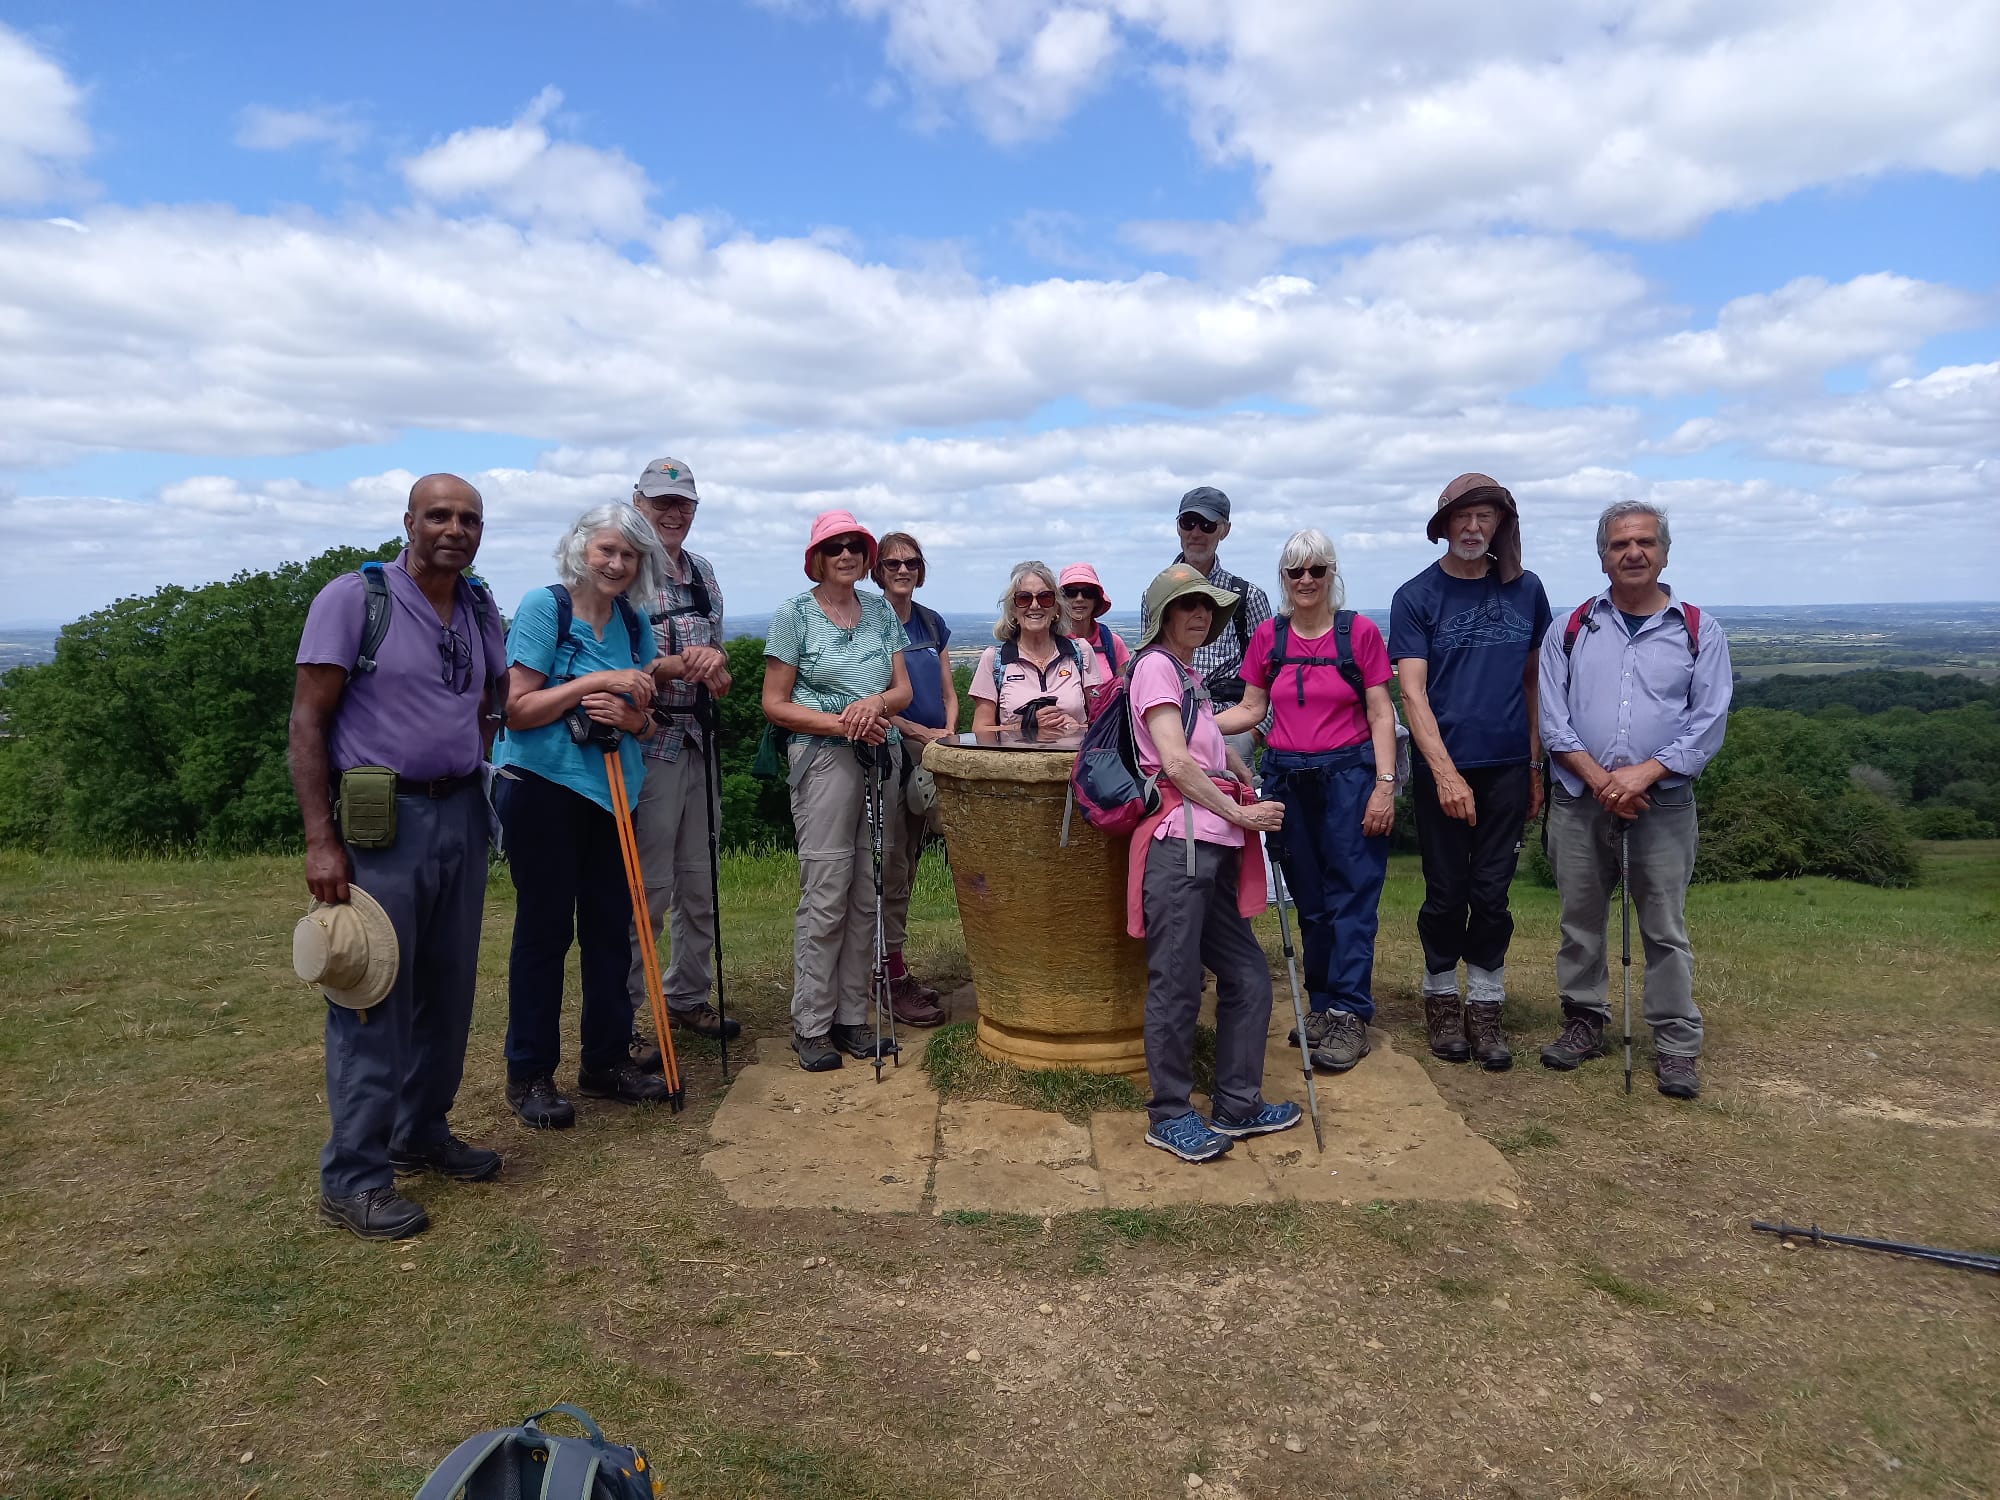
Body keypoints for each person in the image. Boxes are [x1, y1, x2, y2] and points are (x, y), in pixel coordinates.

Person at [290, 473, 507, 1239]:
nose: (455, 529)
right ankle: (354, 1178)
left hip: (460, 815)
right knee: (370, 993)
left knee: (446, 991)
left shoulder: (480, 605)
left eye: (469, 518)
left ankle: (421, 1132)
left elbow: (492, 702)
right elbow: (308, 722)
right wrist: (323, 838)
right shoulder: (355, 599)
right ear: (408, 521)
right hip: (381, 824)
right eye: (439, 515)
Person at [1537, 500, 1731, 1099]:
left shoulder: (1699, 630)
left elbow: (1707, 721)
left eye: (1645, 542)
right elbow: (1552, 715)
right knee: (1580, 920)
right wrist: (1603, 782)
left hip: (1664, 804)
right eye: (1620, 544)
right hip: (1579, 798)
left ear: (1665, 552)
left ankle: (1675, 1043)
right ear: (1603, 557)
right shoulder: (1571, 628)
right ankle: (1584, 1020)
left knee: (1665, 927)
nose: (1633, 552)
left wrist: (1642, 775)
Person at [494, 504, 673, 1129]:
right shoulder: (546, 608)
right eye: (606, 551)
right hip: (542, 785)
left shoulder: (633, 621)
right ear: (580, 550)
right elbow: (515, 708)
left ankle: (604, 1059)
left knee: (608, 928)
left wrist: (636, 718)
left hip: (613, 791)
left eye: (629, 555)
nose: (617, 563)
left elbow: (644, 718)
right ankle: (531, 1074)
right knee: (545, 930)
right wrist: (591, 686)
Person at [1128, 563, 1298, 1163]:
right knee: (1175, 983)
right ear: (1163, 615)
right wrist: (1242, 811)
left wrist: (1234, 769)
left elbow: (1200, 744)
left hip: (1214, 845)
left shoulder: (1187, 676)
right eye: (1187, 606)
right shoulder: (1153, 667)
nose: (1199, 615)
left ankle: (1237, 1104)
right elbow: (1173, 762)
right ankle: (1169, 1113)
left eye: (1208, 607)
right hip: (1180, 846)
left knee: (1248, 974)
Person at [1389, 473, 1552, 1071]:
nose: (1474, 528)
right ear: (1445, 526)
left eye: (1485, 518)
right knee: (1446, 891)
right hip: (1444, 768)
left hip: (1508, 765)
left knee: (1491, 892)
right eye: (1463, 517)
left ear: (1501, 525)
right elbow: (1413, 694)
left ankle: (1485, 1003)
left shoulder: (1526, 591)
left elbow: (1533, 684)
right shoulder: (1417, 596)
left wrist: (1534, 765)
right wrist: (1446, 774)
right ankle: (1440, 997)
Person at [1219, 528, 1397, 1075]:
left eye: (1316, 570)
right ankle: (1322, 1004)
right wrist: (1187, 724)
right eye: (1295, 571)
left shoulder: (1359, 634)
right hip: (1287, 779)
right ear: (1284, 578)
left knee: (1352, 898)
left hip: (1350, 777)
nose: (1305, 580)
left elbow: (1380, 712)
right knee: (1310, 901)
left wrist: (1385, 785)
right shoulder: (1269, 639)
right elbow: (1251, 710)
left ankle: (1349, 1012)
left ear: (1331, 574)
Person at [762, 510, 915, 1071]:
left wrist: (875, 706)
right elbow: (774, 702)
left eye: (855, 545)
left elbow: (901, 689)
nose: (846, 554)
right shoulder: (794, 613)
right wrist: (842, 723)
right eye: (834, 547)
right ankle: (812, 1023)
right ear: (817, 558)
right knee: (826, 890)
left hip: (879, 754)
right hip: (824, 760)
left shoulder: (877, 610)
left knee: (866, 892)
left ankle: (852, 1018)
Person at [624, 458, 737, 1068]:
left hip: (698, 739)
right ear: (637, 501)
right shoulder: (622, 570)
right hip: (648, 745)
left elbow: (715, 657)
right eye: (661, 501)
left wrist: (714, 670)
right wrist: (672, 667)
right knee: (649, 886)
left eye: (683, 503)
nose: (672, 512)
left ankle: (687, 995)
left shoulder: (705, 574)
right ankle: (624, 1017)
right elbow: (607, 664)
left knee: (701, 878)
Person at [874, 531, 953, 1027]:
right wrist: (913, 729)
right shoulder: (871, 620)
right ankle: (886, 976)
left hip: (930, 753)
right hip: (891, 753)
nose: (903, 570)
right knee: (893, 866)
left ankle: (893, 968)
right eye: (893, 563)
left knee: (909, 865)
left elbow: (948, 689)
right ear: (878, 570)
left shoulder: (931, 621)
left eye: (911, 562)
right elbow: (871, 693)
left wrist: (945, 731)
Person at [1138, 486, 1272, 769]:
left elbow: (1272, 675)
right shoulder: (1155, 594)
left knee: (1231, 808)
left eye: (1207, 525)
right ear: (1178, 527)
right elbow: (1147, 661)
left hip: (1233, 724)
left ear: (1225, 530)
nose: (1196, 533)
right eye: (1188, 523)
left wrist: (1254, 732)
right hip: (1171, 722)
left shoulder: (1248, 597)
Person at [971, 561, 1102, 738]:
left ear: (1056, 608)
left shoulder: (1081, 653)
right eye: (1024, 598)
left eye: (1045, 598)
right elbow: (980, 730)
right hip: (1015, 764)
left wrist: (1077, 727)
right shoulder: (995, 660)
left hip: (1075, 763)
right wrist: (1027, 726)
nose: (1034, 606)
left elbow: (1101, 721)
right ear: (1013, 610)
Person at [1059, 563, 1131, 675]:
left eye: (1088, 593)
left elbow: (1120, 688)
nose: (1080, 598)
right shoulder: (1050, 642)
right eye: (1071, 592)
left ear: (1096, 600)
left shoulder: (1112, 642)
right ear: (1061, 599)